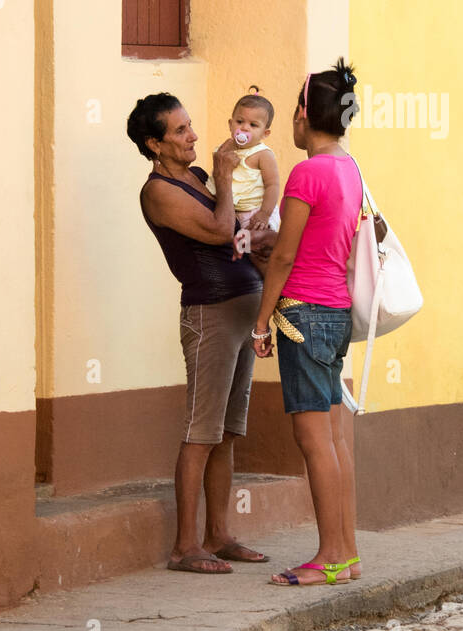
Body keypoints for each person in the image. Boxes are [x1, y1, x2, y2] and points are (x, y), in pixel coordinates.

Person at [126, 93, 275, 575]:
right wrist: (228, 179)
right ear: (155, 144)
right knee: (201, 431)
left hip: (242, 308)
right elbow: (218, 229)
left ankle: (219, 534)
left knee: (227, 433)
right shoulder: (158, 191)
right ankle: (184, 547)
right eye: (180, 131)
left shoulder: (195, 178)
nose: (193, 136)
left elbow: (238, 236)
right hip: (209, 313)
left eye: (190, 126)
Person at [251, 59, 364, 586]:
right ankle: (347, 552)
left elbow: (284, 258)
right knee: (334, 438)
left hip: (303, 314)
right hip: (336, 312)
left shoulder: (307, 171)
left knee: (314, 439)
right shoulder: (349, 168)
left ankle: (329, 558)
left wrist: (259, 322)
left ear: (302, 114)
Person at [205, 87, 280, 241]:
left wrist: (264, 213)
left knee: (259, 247)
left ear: (265, 133)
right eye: (240, 122)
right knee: (240, 249)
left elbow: (273, 185)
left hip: (256, 212)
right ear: (230, 124)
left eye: (253, 125)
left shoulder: (262, 154)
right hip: (233, 213)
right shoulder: (224, 148)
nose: (245, 127)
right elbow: (217, 176)